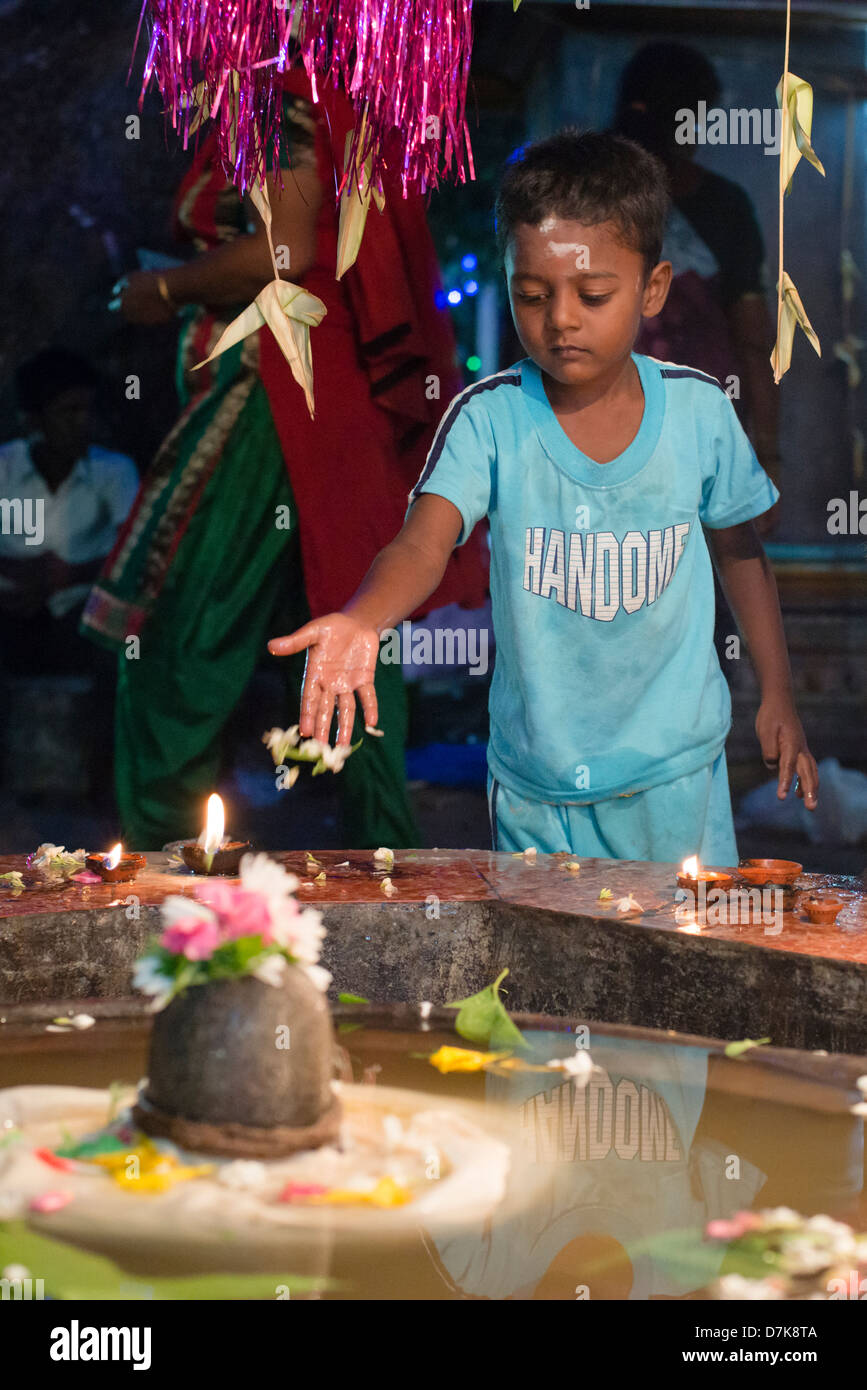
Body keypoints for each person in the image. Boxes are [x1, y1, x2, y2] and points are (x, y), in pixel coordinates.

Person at [269, 129, 819, 863]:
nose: (559, 318)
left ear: (651, 289)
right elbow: (423, 542)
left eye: (592, 295)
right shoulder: (489, 418)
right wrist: (363, 620)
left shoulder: (699, 414)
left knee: (681, 966)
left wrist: (775, 694)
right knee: (546, 974)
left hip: (674, 777)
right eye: (532, 295)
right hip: (535, 789)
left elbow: (740, 554)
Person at [83, 68, 488, 850]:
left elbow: (283, 251)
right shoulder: (311, 90)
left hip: (275, 394)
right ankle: (386, 880)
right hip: (321, 401)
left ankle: (169, 889)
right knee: (350, 624)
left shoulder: (276, 92)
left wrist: (161, 290)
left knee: (171, 640)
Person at [613, 42, 781, 527]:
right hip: (635, 440)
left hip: (684, 446)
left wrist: (765, 463)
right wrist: (768, 459)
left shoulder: (580, 191)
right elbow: (754, 342)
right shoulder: (588, 194)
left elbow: (755, 342)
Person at [0, 349, 138, 675]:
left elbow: (138, 555)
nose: (84, 422)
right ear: (34, 420)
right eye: (69, 411)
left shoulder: (114, 471)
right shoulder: (4, 466)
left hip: (82, 613)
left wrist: (66, 575)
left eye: (88, 409)